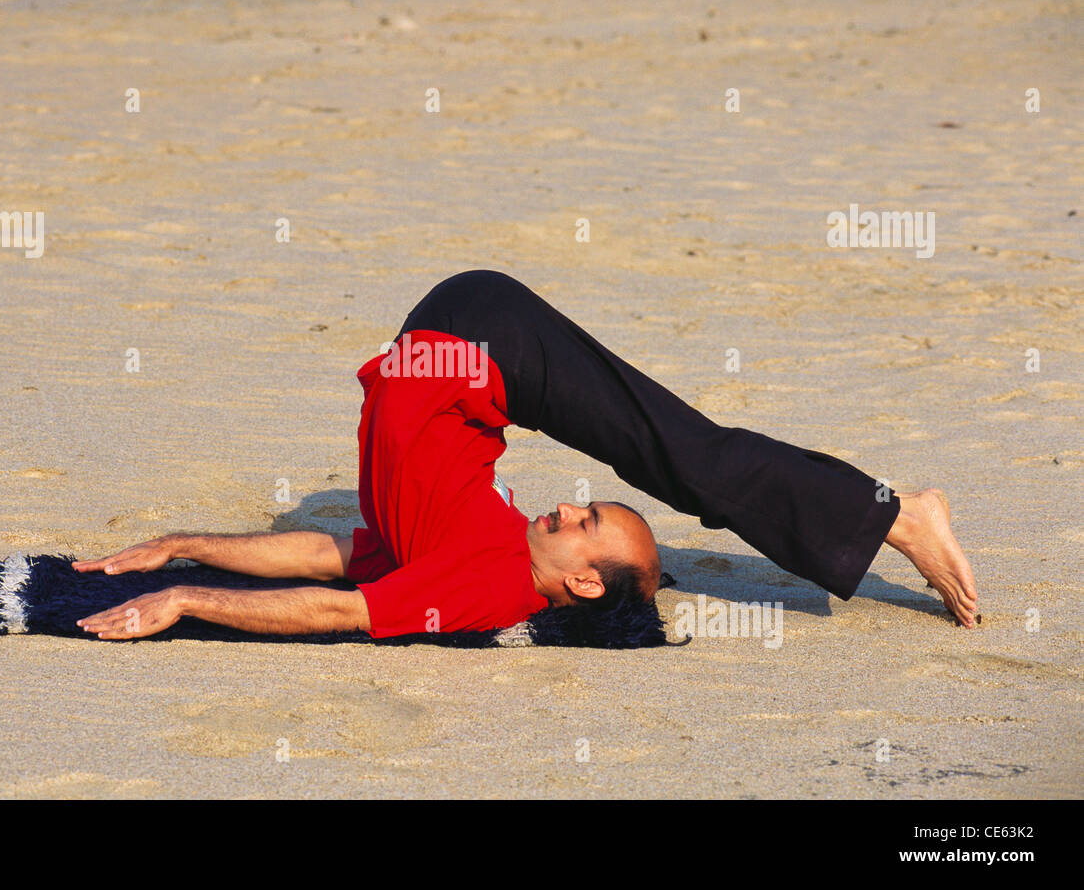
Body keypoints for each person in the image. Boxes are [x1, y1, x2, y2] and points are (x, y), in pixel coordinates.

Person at [75, 270, 978, 640]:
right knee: (673, 452)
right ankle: (884, 512)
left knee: (680, 454)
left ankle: (895, 512)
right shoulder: (499, 544)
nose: (567, 507)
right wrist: (186, 552)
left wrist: (185, 566)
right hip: (478, 339)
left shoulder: (483, 581)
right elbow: (341, 572)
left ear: (583, 581)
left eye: (586, 526)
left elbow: (336, 582)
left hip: (454, 335)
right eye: (587, 508)